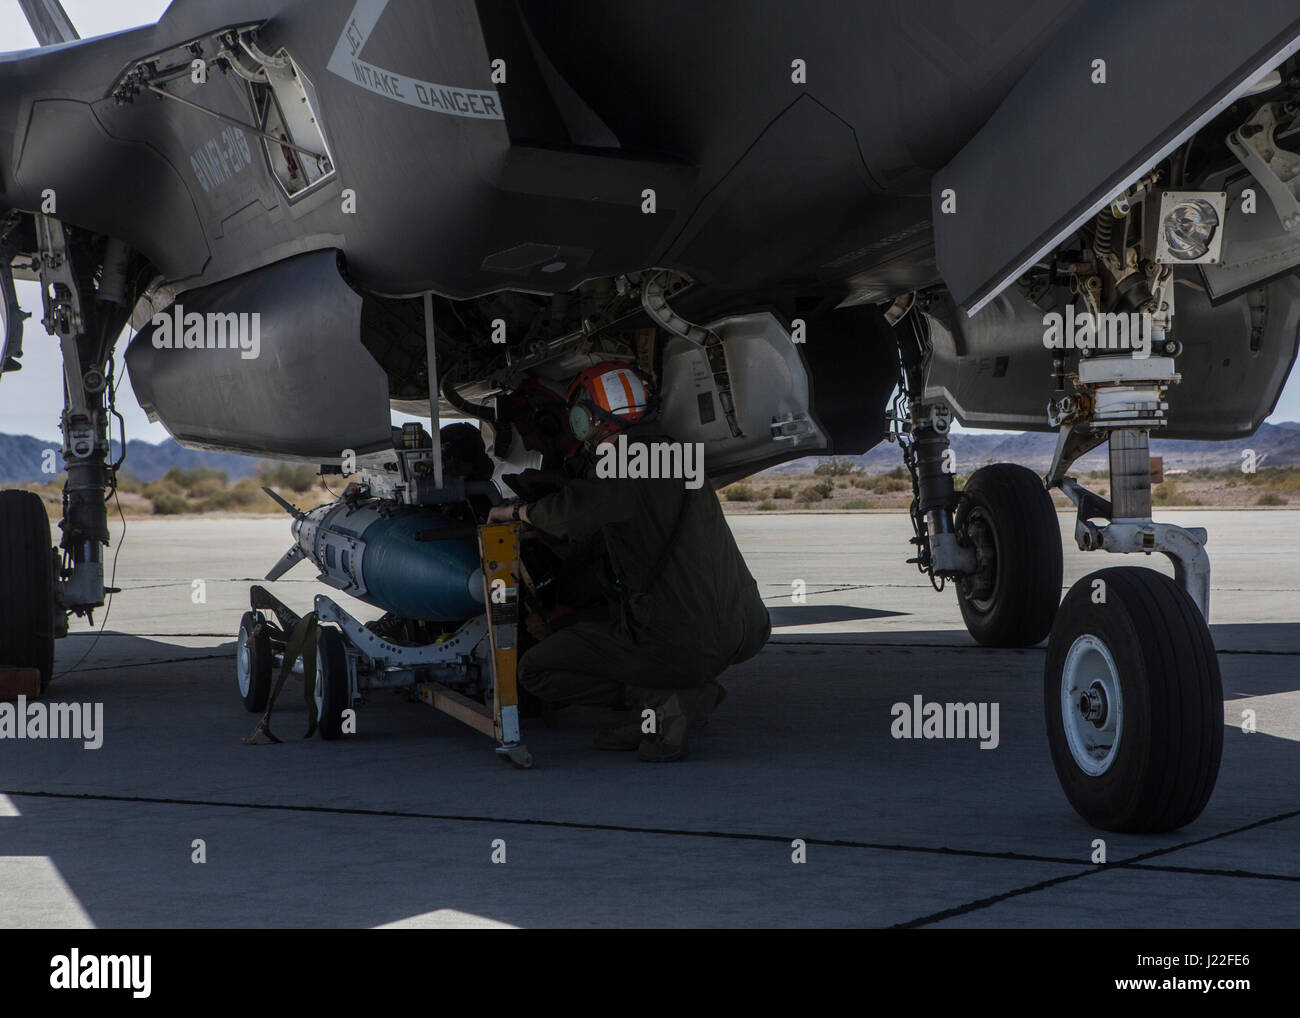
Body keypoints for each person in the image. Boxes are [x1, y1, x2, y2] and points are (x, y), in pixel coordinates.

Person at [487, 361, 770, 761]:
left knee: (536, 670)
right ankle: (670, 695)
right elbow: (619, 522)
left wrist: (516, 514)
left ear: (586, 417)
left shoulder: (624, 463)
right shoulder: (677, 454)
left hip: (684, 641)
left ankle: (666, 699)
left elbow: (574, 514)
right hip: (744, 627)